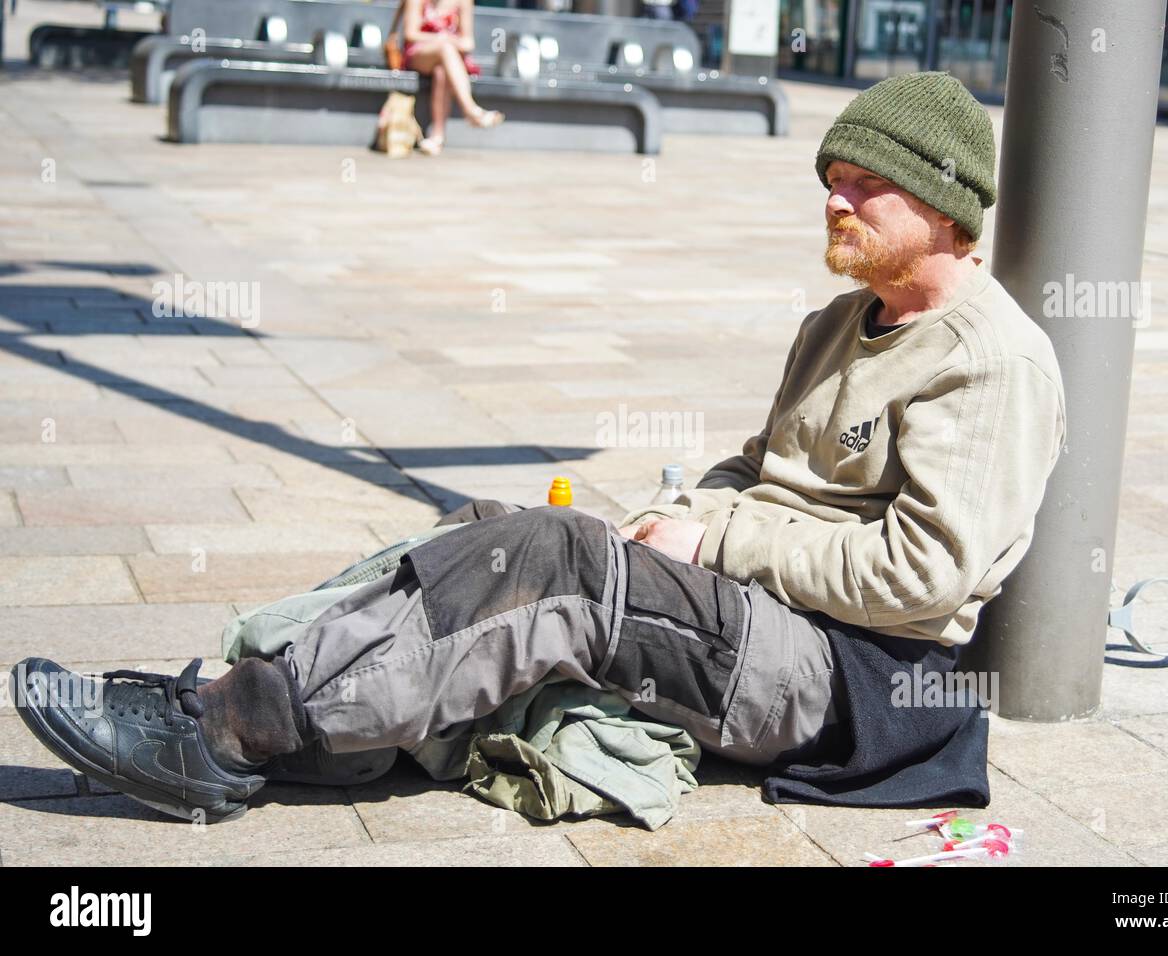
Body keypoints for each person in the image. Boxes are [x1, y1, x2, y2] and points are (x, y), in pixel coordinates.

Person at [12, 72, 1066, 824]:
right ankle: (244, 691)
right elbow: (750, 470)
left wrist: (716, 547)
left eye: (863, 182)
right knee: (499, 530)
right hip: (763, 615)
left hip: (849, 672)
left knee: (560, 565)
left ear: (942, 203)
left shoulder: (990, 361)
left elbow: (925, 576)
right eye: (828, 175)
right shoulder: (835, 323)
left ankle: (230, 735)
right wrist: (686, 513)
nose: (834, 197)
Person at [400, 0, 504, 156]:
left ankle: (437, 137)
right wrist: (443, 39)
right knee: (445, 50)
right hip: (419, 54)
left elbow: (468, 43)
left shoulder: (464, 2)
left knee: (441, 70)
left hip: (447, 58)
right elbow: (410, 34)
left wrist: (445, 40)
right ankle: (470, 110)